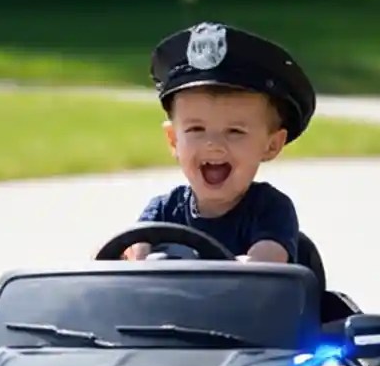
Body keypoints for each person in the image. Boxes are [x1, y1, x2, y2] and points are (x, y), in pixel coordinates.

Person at [123, 21, 316, 263]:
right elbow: (128, 248)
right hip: (169, 302)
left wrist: (237, 266)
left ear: (271, 145)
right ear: (173, 139)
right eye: (196, 129)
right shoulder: (164, 210)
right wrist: (134, 254)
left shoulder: (269, 209)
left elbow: (267, 263)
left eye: (234, 131)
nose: (213, 144)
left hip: (249, 301)